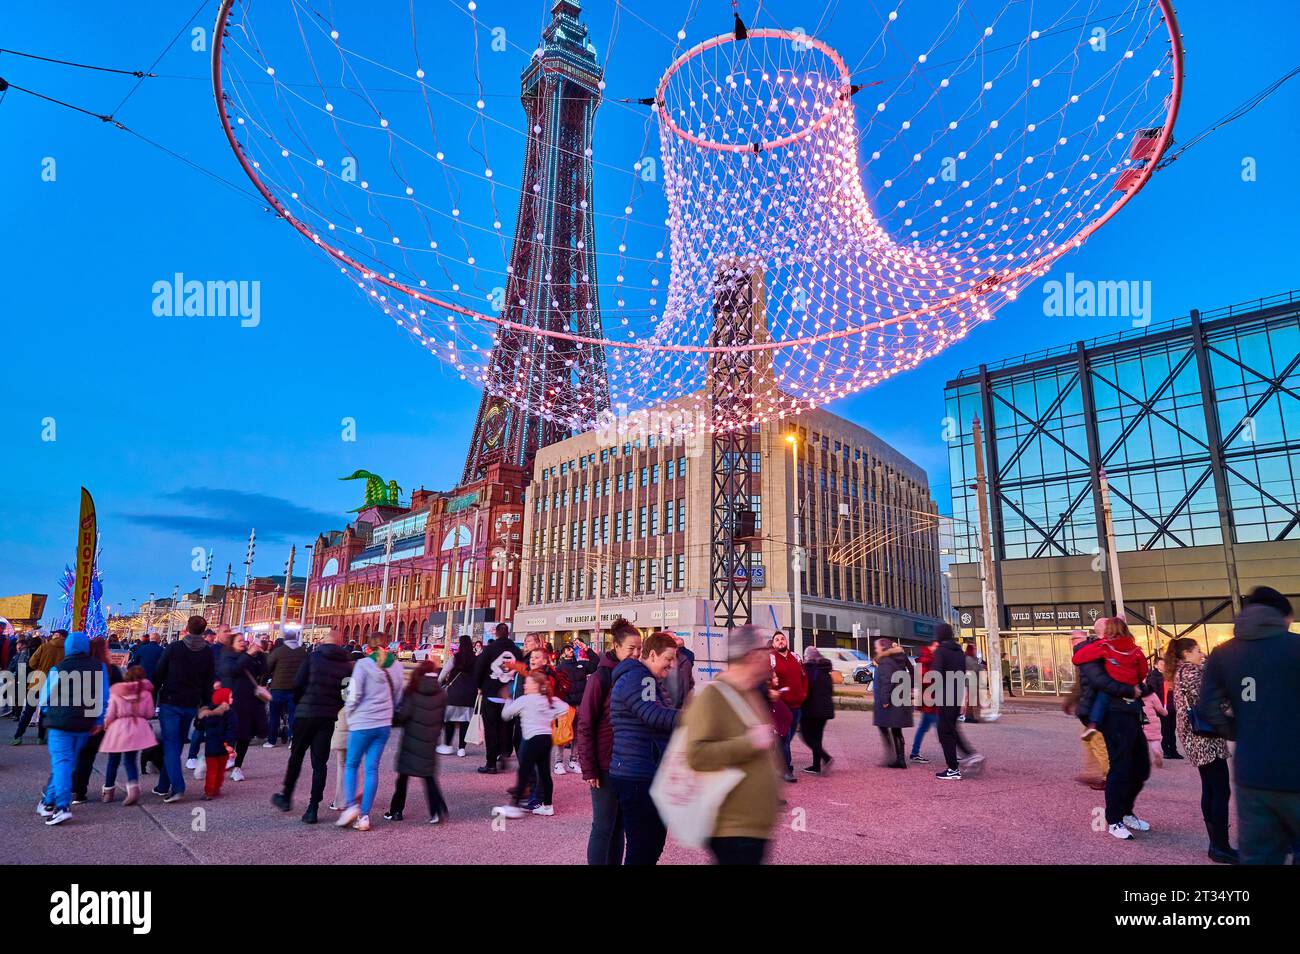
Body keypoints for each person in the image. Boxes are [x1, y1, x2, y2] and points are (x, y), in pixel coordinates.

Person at [1198, 586, 1300, 865]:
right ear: (1282, 616)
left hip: (1252, 773)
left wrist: (1240, 730)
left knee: (1258, 856)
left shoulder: (1222, 654)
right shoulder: (1295, 647)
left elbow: (1207, 708)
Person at [681, 624, 782, 864]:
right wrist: (749, 743)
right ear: (751, 655)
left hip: (753, 827)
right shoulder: (712, 696)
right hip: (732, 829)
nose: (770, 657)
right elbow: (695, 754)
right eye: (765, 651)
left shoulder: (751, 693)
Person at [607, 630, 679, 864]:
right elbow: (653, 715)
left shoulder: (645, 679)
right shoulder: (642, 678)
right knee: (643, 846)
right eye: (668, 659)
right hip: (637, 774)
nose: (671, 665)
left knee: (649, 844)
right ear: (652, 655)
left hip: (638, 770)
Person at [1075, 617, 1151, 840]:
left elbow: (1139, 674)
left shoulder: (1119, 649)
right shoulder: (1095, 651)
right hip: (1113, 714)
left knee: (1141, 767)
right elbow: (1100, 682)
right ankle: (1115, 819)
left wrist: (1143, 689)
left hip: (1130, 711)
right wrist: (1132, 690)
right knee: (1120, 766)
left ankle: (1126, 811)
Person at [1165, 637, 1236, 863]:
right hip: (1205, 738)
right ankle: (1220, 845)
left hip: (1196, 738)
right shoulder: (1192, 672)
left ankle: (1217, 842)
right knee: (1220, 790)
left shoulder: (1181, 672)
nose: (1201, 653)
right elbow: (1210, 700)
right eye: (1197, 650)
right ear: (1186, 653)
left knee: (1211, 788)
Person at [272, 627, 352, 823]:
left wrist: (300, 703)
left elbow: (298, 684)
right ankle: (312, 808)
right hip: (326, 718)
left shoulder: (313, 658)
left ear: (324, 640)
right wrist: (334, 707)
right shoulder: (347, 665)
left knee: (296, 756)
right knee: (320, 764)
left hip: (305, 714)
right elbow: (346, 695)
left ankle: (286, 796)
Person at [577, 619, 641, 865]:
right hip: (604, 765)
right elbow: (585, 724)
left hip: (628, 765)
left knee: (620, 828)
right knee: (603, 827)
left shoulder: (637, 675)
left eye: (639, 649)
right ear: (615, 646)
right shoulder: (600, 678)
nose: (635, 654)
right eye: (630, 649)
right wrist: (589, 768)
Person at [36, 632, 111, 825]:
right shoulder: (99, 668)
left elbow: (45, 698)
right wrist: (98, 721)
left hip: (60, 722)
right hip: (84, 723)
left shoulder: (58, 668)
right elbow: (103, 697)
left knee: (62, 762)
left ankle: (62, 806)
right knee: (67, 764)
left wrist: (48, 711)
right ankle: (47, 803)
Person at [336, 633, 405, 831]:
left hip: (362, 722)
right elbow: (399, 696)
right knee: (372, 768)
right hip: (383, 724)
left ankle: (351, 806)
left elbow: (354, 694)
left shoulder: (364, 665)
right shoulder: (397, 666)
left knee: (351, 764)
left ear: (369, 646)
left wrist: (349, 713)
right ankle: (364, 816)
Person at [151, 616, 215, 802]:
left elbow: (159, 673)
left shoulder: (174, 648)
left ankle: (178, 787)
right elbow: (208, 681)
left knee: (171, 744)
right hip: (191, 703)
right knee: (176, 744)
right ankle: (163, 785)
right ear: (204, 631)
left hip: (171, 700)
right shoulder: (207, 652)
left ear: (187, 628)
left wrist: (151, 695)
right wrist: (205, 704)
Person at [492, 671, 572, 818]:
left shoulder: (524, 700)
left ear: (535, 685)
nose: (524, 685)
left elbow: (506, 715)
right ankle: (547, 806)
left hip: (531, 739)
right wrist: (551, 715)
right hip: (546, 739)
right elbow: (566, 708)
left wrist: (508, 700)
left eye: (527, 682)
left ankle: (515, 806)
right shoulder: (550, 700)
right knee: (545, 774)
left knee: (524, 771)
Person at [384, 659, 449, 824]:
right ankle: (437, 810)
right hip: (430, 741)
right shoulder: (441, 694)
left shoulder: (413, 690)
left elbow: (403, 715)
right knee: (428, 778)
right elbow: (441, 719)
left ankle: (396, 811)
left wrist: (391, 720)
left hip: (411, 741)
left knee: (403, 778)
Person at [71, 637, 124, 803]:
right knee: (113, 755)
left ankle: (78, 791)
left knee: (83, 755)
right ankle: (108, 789)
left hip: (84, 715)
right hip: (107, 717)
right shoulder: (112, 670)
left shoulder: (81, 668)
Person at [1073, 623, 1148, 741]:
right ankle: (1142, 715)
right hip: (1130, 688)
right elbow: (1143, 669)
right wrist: (1136, 682)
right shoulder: (1134, 648)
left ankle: (1093, 723)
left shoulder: (1103, 646)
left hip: (1114, 690)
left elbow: (1078, 659)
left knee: (1102, 698)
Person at [930, 623, 984, 780]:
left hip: (945, 695)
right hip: (956, 693)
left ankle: (953, 768)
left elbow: (936, 674)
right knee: (952, 729)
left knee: (944, 732)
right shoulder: (959, 651)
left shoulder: (941, 651)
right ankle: (970, 755)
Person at [473, 623, 523, 774]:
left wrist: (480, 686)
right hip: (508, 696)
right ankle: (504, 753)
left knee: (491, 730)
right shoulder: (516, 651)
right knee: (506, 729)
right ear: (508, 633)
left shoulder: (490, 650)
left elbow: (479, 668)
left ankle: (491, 763)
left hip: (491, 694)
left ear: (496, 633)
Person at [1064, 627, 1109, 790]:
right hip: (1089, 706)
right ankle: (1092, 772)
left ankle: (1108, 776)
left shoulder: (1086, 655)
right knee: (1089, 740)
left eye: (1073, 639)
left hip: (1093, 707)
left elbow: (1085, 683)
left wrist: (1072, 701)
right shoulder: (1089, 652)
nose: (1072, 642)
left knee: (1097, 742)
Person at [218, 631, 262, 781]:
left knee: (244, 736)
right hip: (231, 702)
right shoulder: (227, 658)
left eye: (244, 640)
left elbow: (262, 671)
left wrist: (260, 655)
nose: (243, 643)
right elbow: (233, 670)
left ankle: (237, 767)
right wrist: (249, 654)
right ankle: (225, 758)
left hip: (247, 701)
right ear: (232, 644)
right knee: (229, 734)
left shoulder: (249, 657)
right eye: (239, 641)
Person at [768, 630, 807, 783]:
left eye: (782, 638)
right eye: (777, 639)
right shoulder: (771, 659)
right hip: (781, 705)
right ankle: (786, 769)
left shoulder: (796, 657)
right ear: (773, 644)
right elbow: (768, 679)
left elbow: (804, 677)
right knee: (784, 738)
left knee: (787, 738)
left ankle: (776, 760)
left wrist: (803, 694)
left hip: (797, 705)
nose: (780, 641)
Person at [872, 637, 914, 768]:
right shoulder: (899, 657)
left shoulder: (885, 661)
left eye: (877, 647)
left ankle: (894, 757)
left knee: (884, 725)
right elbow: (912, 671)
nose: (875, 649)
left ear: (883, 648)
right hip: (899, 696)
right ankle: (899, 759)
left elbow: (887, 680)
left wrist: (884, 699)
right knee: (896, 729)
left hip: (890, 699)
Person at [18, 630, 66, 745]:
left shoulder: (45, 646)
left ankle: (18, 735)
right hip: (55, 683)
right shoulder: (68, 650)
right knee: (45, 711)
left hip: (38, 680)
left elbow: (32, 663)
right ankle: (40, 737)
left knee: (29, 710)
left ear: (58, 636)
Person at [264, 633, 307, 748]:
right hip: (295, 689)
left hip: (278, 687)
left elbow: (267, 667)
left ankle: (272, 740)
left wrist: (267, 679)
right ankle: (292, 738)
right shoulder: (302, 652)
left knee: (274, 715)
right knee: (294, 715)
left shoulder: (278, 651)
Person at [436, 635, 477, 757]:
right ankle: (461, 748)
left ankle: (448, 745)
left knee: (450, 721)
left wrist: (438, 683)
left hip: (453, 694)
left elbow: (443, 674)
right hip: (469, 695)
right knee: (465, 722)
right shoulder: (476, 659)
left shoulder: (455, 658)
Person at [798, 645, 834, 774]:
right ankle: (816, 766)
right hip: (825, 709)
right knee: (817, 738)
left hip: (811, 710)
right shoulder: (825, 669)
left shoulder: (808, 670)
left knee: (806, 736)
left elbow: (805, 690)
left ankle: (826, 757)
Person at [197, 685, 234, 800]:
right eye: (230, 697)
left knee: (211, 771)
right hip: (223, 746)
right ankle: (216, 788)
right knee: (220, 770)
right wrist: (230, 745)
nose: (232, 699)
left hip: (211, 747)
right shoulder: (230, 714)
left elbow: (200, 726)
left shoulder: (208, 714)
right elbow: (232, 729)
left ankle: (209, 791)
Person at [909, 640, 939, 763]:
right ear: (930, 646)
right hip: (930, 700)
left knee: (923, 727)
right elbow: (925, 680)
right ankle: (953, 751)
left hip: (929, 700)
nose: (938, 648)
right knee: (942, 728)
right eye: (936, 646)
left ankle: (914, 753)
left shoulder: (928, 658)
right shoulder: (927, 659)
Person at [665, 634, 696, 708]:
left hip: (681, 708)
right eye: (670, 639)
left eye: (674, 639)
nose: (673, 641)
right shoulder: (658, 662)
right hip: (665, 709)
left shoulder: (684, 659)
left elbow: (690, 683)